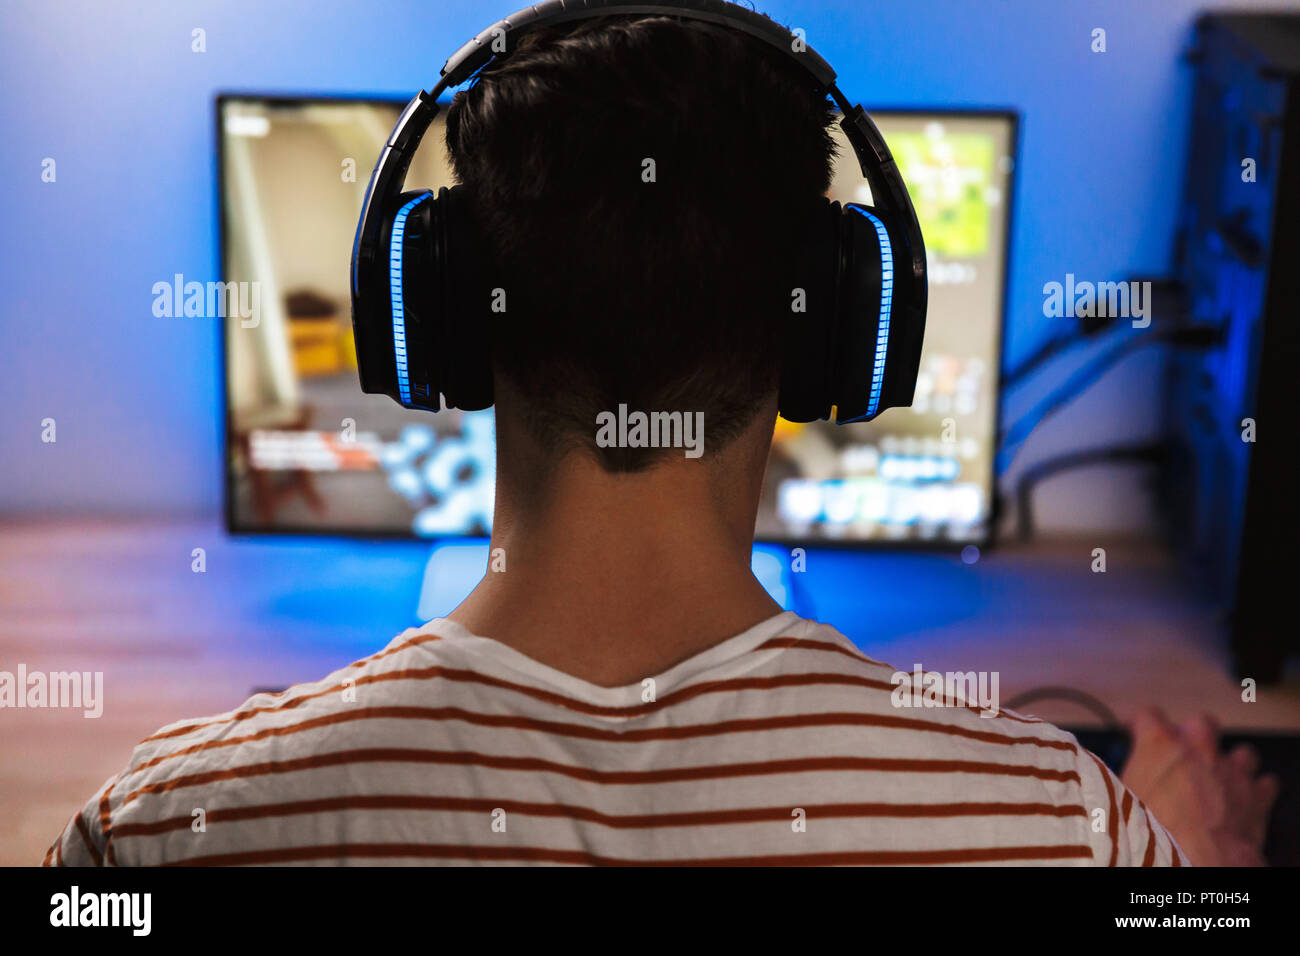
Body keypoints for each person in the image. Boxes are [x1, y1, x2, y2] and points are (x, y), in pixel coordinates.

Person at [45, 12, 1273, 867]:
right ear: (838, 332)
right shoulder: (1060, 824)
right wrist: (1192, 857)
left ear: (443, 320)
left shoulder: (159, 826)